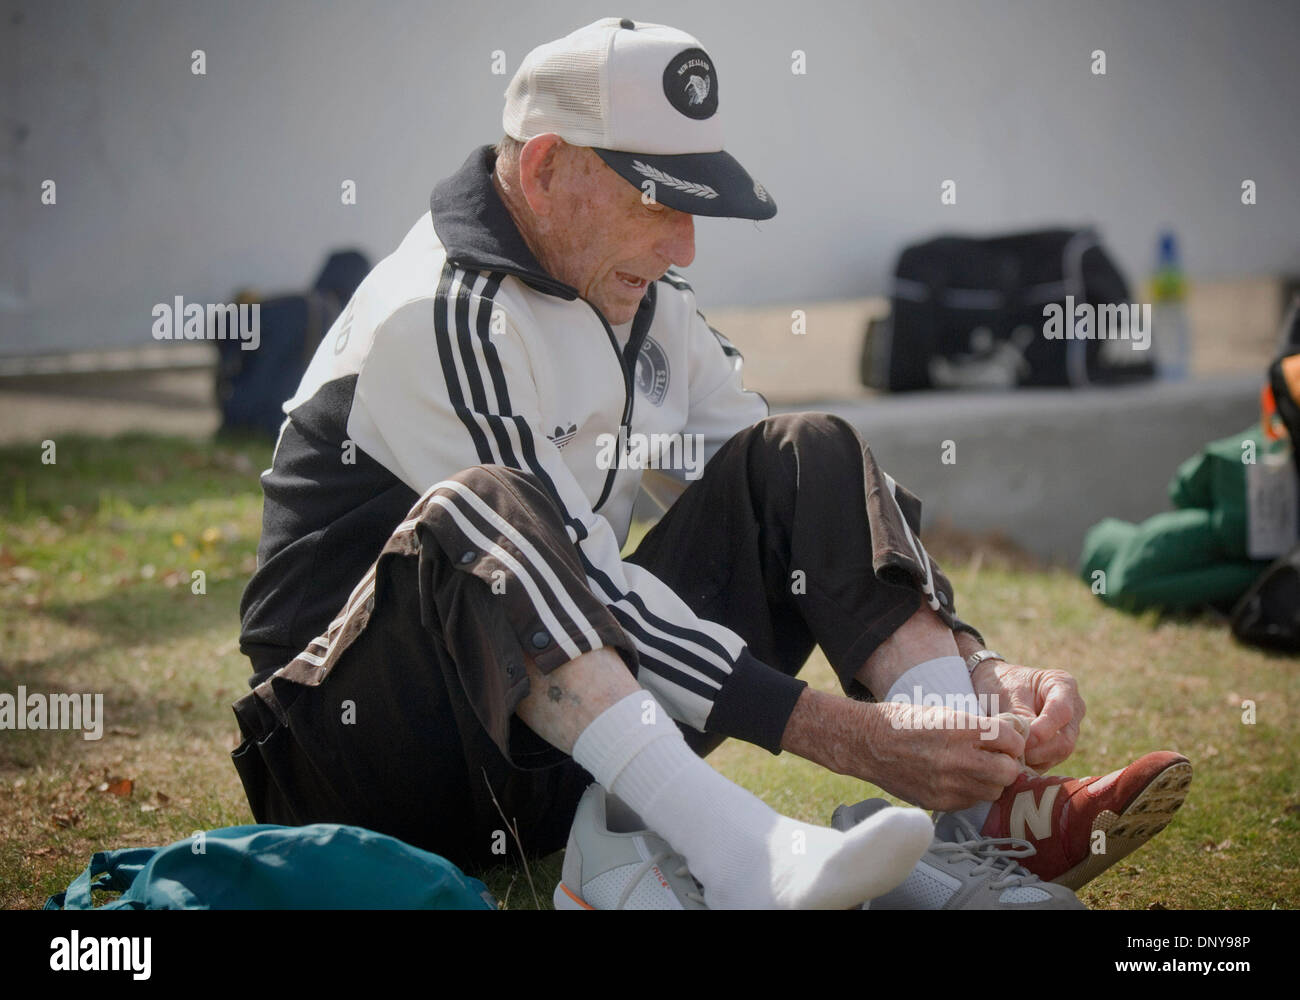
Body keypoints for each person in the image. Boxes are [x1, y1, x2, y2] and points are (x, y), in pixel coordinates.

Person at [230, 17, 1191, 910]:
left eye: (698, 201)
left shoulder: (641, 292)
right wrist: (843, 734)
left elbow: (798, 495)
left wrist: (975, 664)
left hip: (550, 746)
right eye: (657, 197)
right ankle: (747, 856)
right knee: (493, 506)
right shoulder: (436, 313)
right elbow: (567, 569)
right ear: (548, 165)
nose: (686, 239)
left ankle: (976, 809)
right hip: (361, 761)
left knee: (806, 453)